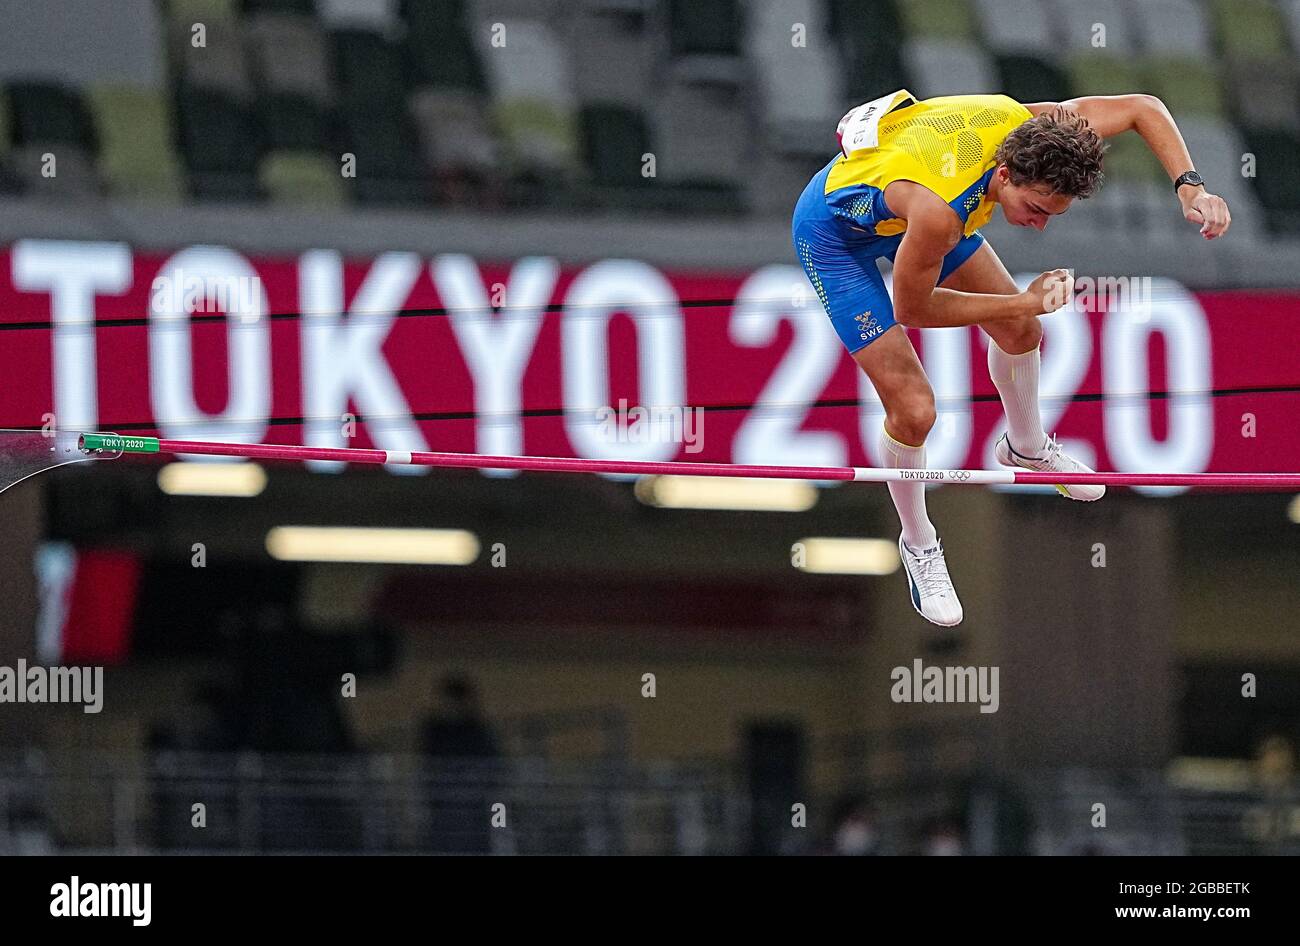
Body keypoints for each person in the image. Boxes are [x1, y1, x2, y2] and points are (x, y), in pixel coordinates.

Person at [792, 90, 1231, 625]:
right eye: (1037, 209)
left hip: (915, 201)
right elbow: (912, 307)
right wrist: (1023, 296)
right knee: (915, 409)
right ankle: (919, 542)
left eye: (1054, 215)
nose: (1041, 225)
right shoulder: (938, 211)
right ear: (1003, 173)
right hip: (836, 236)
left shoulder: (1017, 124)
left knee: (1022, 330)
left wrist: (1191, 189)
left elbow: (1142, 107)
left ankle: (1026, 447)